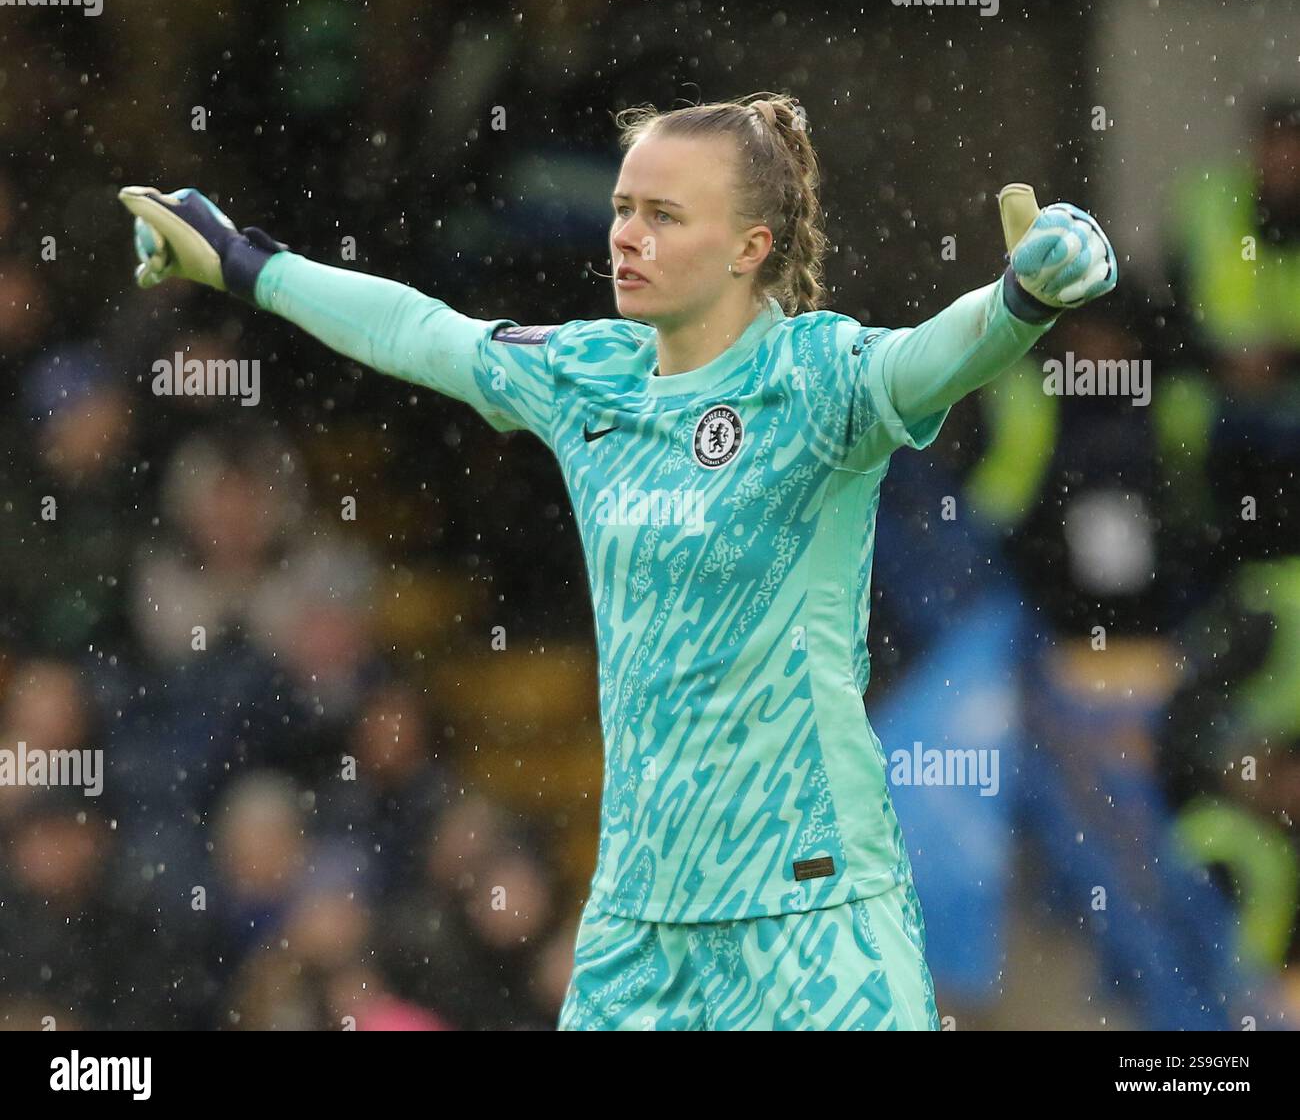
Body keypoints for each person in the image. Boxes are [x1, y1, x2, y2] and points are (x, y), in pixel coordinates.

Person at [117, 91, 1117, 1030]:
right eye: (622, 208)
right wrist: (246, 263)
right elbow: (423, 332)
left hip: (809, 909)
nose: (626, 237)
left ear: (747, 247)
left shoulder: (819, 378)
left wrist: (1024, 294)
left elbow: (940, 352)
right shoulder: (586, 374)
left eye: (664, 216)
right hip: (640, 919)